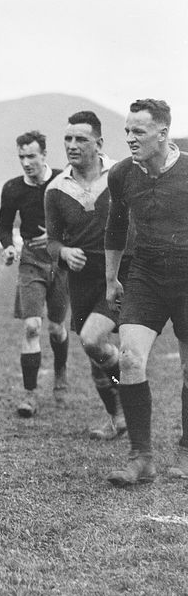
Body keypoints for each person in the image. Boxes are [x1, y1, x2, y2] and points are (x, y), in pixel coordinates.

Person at [103, 99, 188, 485]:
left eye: (139, 131)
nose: (130, 139)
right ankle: (141, 457)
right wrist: (110, 279)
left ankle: (187, 451)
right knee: (129, 360)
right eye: (127, 131)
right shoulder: (121, 174)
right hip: (146, 274)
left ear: (163, 133)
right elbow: (116, 228)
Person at [45, 111, 128, 441]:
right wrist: (64, 253)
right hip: (82, 280)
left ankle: (131, 396)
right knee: (96, 352)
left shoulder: (122, 175)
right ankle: (117, 418)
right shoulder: (56, 189)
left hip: (123, 274)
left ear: (99, 143)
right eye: (68, 139)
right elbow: (52, 240)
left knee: (93, 340)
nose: (72, 145)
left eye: (81, 139)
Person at [0, 131, 68, 418]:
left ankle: (61, 373)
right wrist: (8, 246)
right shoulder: (13, 188)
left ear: (44, 155)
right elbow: (4, 225)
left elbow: (80, 219)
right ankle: (30, 395)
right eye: (21, 157)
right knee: (31, 327)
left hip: (62, 261)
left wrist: (56, 238)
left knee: (56, 328)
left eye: (31, 156)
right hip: (31, 261)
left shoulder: (64, 180)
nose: (26, 162)